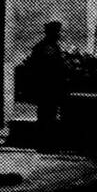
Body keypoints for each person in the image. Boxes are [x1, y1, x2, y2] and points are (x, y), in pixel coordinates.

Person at [29, 21, 67, 149]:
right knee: (47, 115)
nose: (59, 34)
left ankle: (45, 141)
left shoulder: (50, 46)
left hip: (49, 87)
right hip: (48, 87)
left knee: (48, 114)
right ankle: (45, 142)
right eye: (57, 32)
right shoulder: (47, 48)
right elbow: (52, 68)